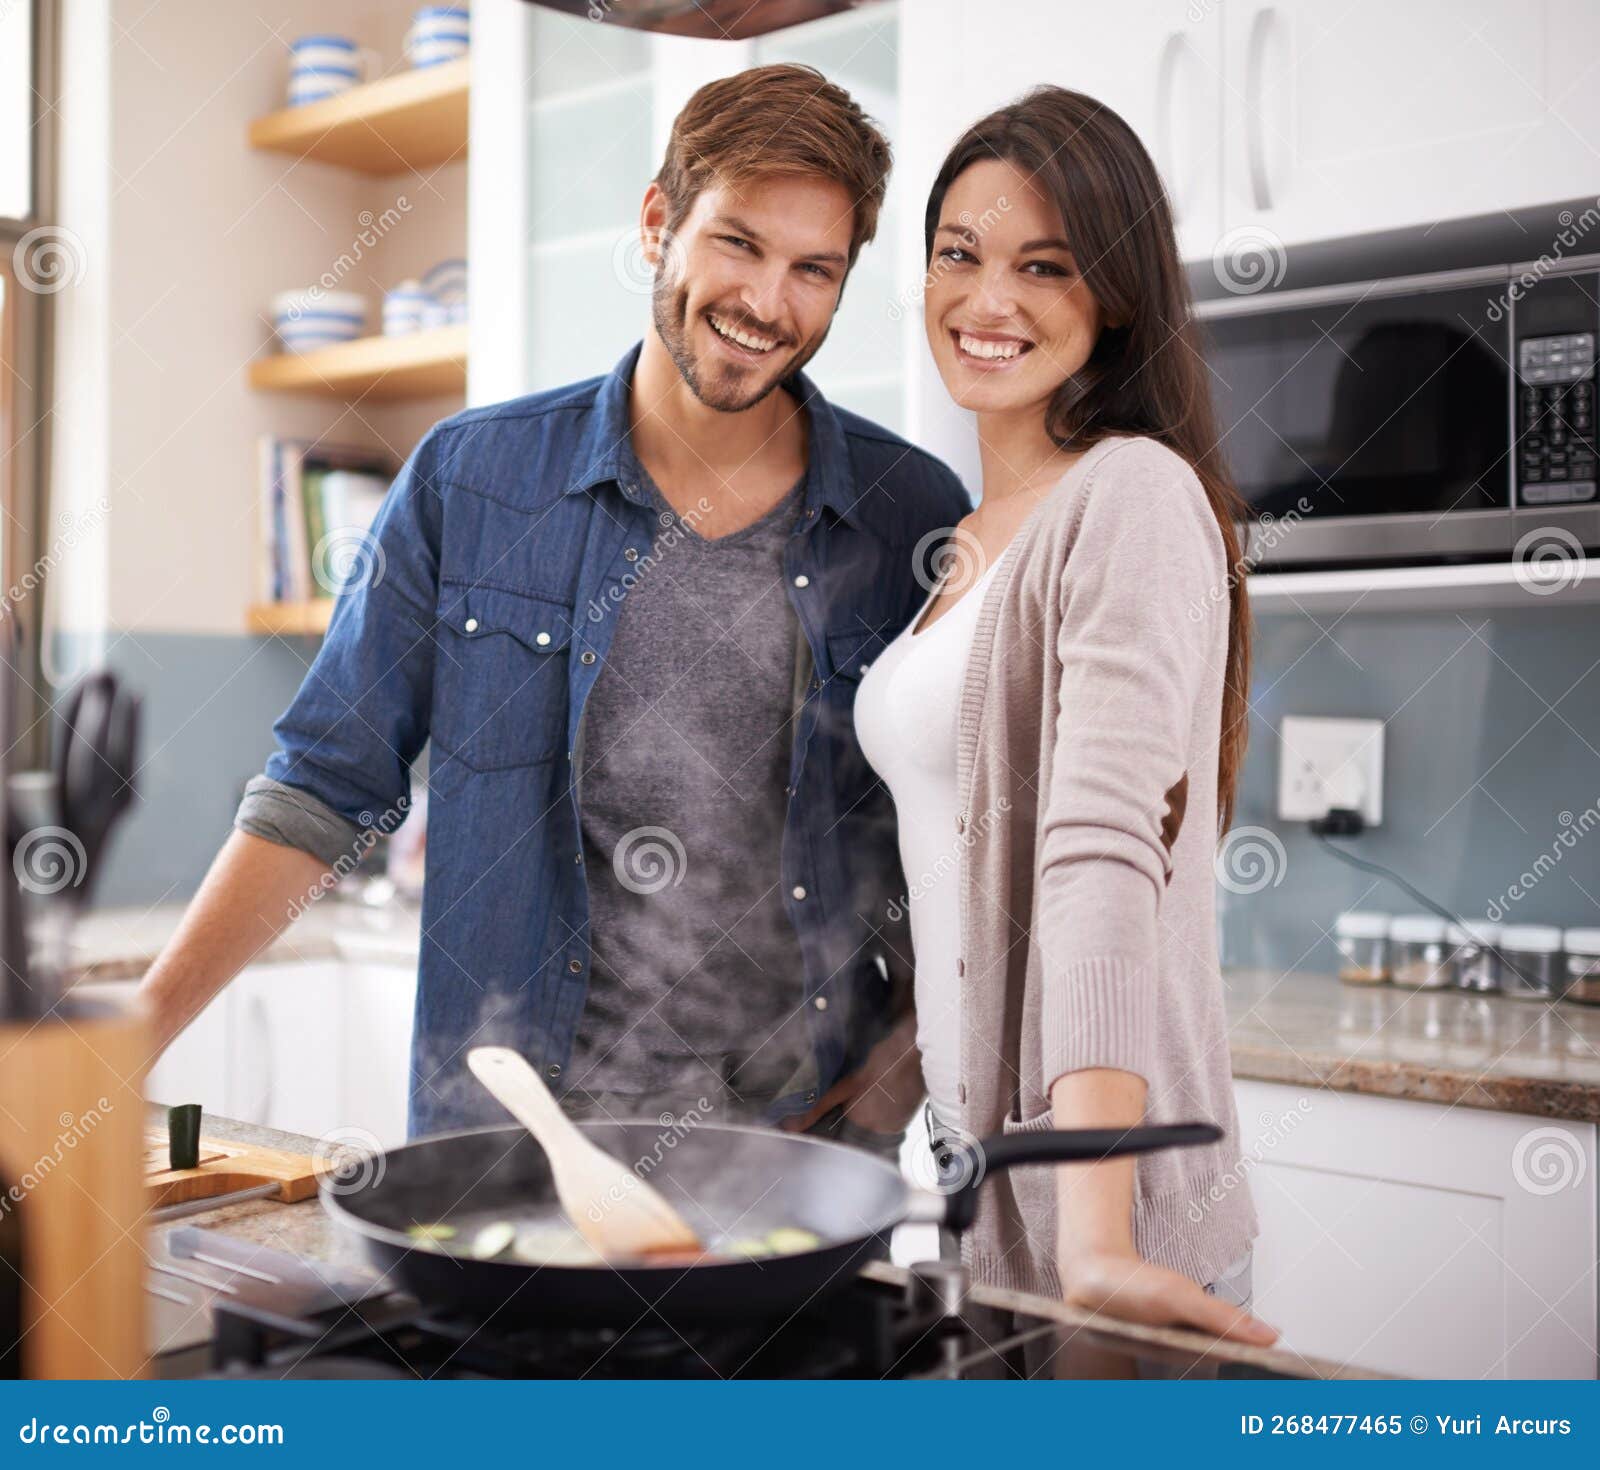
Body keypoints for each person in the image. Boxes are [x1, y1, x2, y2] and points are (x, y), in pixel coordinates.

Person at [136, 64, 966, 1146]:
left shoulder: (910, 515)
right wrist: (133, 1039)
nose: (768, 304)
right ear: (659, 221)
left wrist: (899, 1072)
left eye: (814, 268)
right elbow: (324, 787)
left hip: (794, 1169)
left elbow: (963, 835)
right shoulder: (473, 481)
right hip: (509, 1159)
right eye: (739, 244)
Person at [853, 85, 1278, 1345]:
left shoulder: (1131, 494)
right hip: (970, 1197)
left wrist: (1095, 1236)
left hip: (1105, 1214)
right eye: (957, 255)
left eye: (1044, 266)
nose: (987, 302)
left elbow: (1100, 847)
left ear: (1115, 299)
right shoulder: (961, 540)